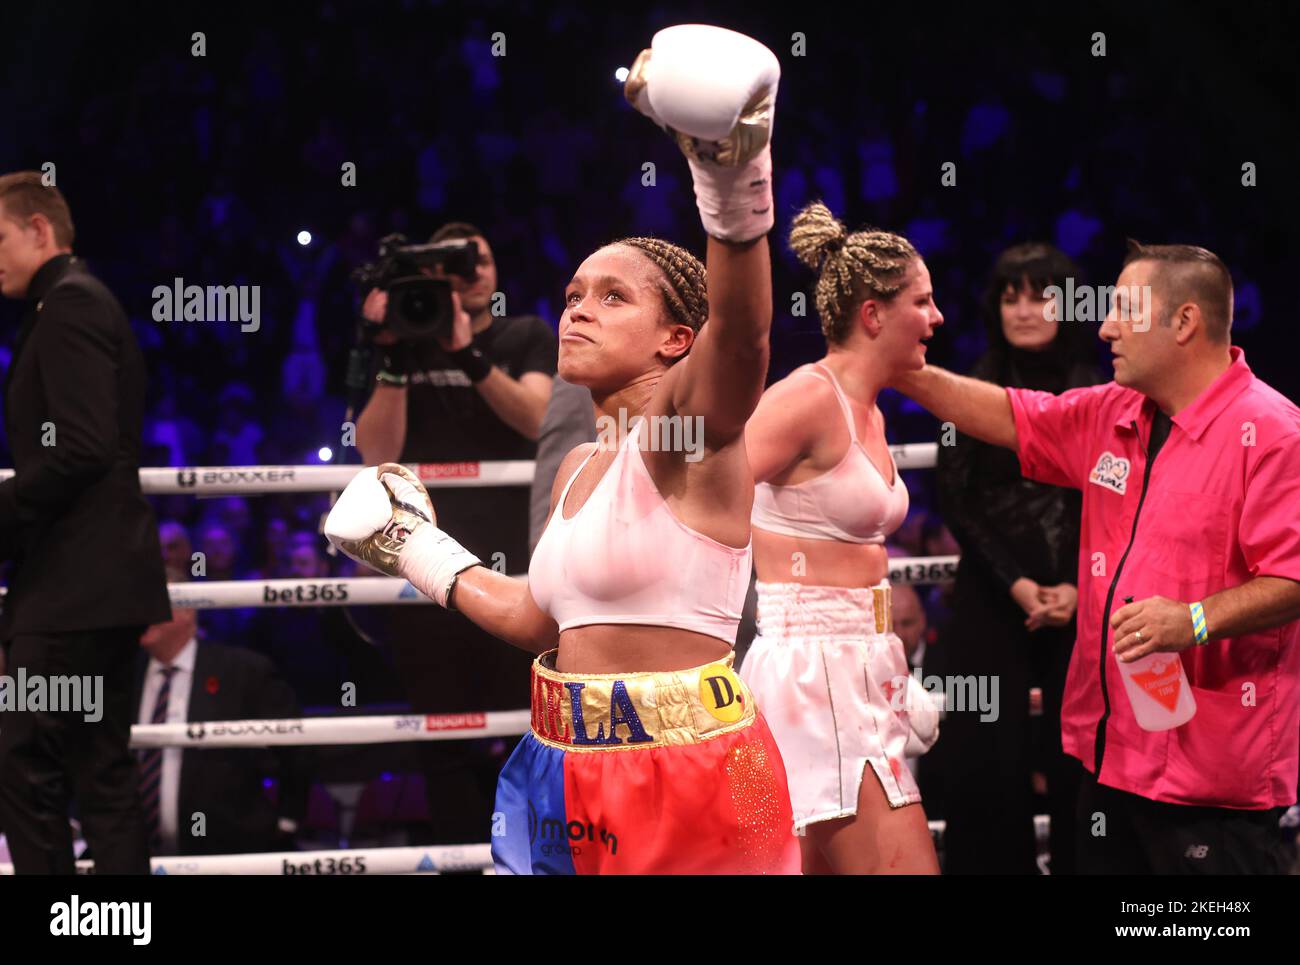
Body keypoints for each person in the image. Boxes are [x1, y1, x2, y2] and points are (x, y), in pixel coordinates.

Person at [327, 24, 800, 874]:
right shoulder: (584, 461)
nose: (577, 309)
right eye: (574, 292)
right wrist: (420, 551)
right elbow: (545, 618)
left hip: (687, 770)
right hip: (559, 760)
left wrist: (729, 179)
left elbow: (742, 341)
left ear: (673, 339)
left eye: (613, 297)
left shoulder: (681, 436)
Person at [892, 241, 1300, 874]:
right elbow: (1007, 414)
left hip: (1212, 779)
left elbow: (1293, 577)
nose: (1104, 326)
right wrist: (899, 369)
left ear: (1184, 322)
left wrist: (1192, 620)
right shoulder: (1114, 412)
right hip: (1108, 758)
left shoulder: (1271, 433)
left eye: (1123, 311)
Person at [740, 201, 943, 874]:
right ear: (874, 314)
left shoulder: (870, 408)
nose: (937, 317)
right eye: (923, 300)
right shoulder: (808, 396)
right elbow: (706, 493)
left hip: (861, 662)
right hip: (812, 669)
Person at [354, 220, 557, 846]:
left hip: (517, 574)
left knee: (526, 733)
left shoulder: (523, 334)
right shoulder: (397, 343)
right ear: (431, 274)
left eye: (483, 261)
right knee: (442, 742)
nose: (473, 274)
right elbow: (373, 453)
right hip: (423, 573)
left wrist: (467, 354)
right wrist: (390, 354)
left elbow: (538, 419)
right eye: (457, 265)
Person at [0, 171, 171, 874]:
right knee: (99, 773)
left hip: (74, 588)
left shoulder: (68, 305)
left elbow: (82, 447)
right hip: (99, 583)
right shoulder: (76, 302)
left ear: (40, 230)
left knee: (24, 760)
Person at [929, 243, 1101, 875]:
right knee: (985, 757)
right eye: (1010, 296)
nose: (1024, 310)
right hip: (994, 591)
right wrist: (1020, 585)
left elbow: (1115, 494)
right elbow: (958, 499)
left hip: (1089, 593)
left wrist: (1082, 587)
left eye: (1040, 295)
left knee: (1082, 758)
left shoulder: (1102, 390)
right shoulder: (972, 385)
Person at [133, 570, 312, 856]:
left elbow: (295, 750)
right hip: (136, 855)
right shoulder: (123, 677)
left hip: (228, 852)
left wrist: (287, 822)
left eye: (150, 600)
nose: (139, 611)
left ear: (186, 609)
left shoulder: (242, 671)